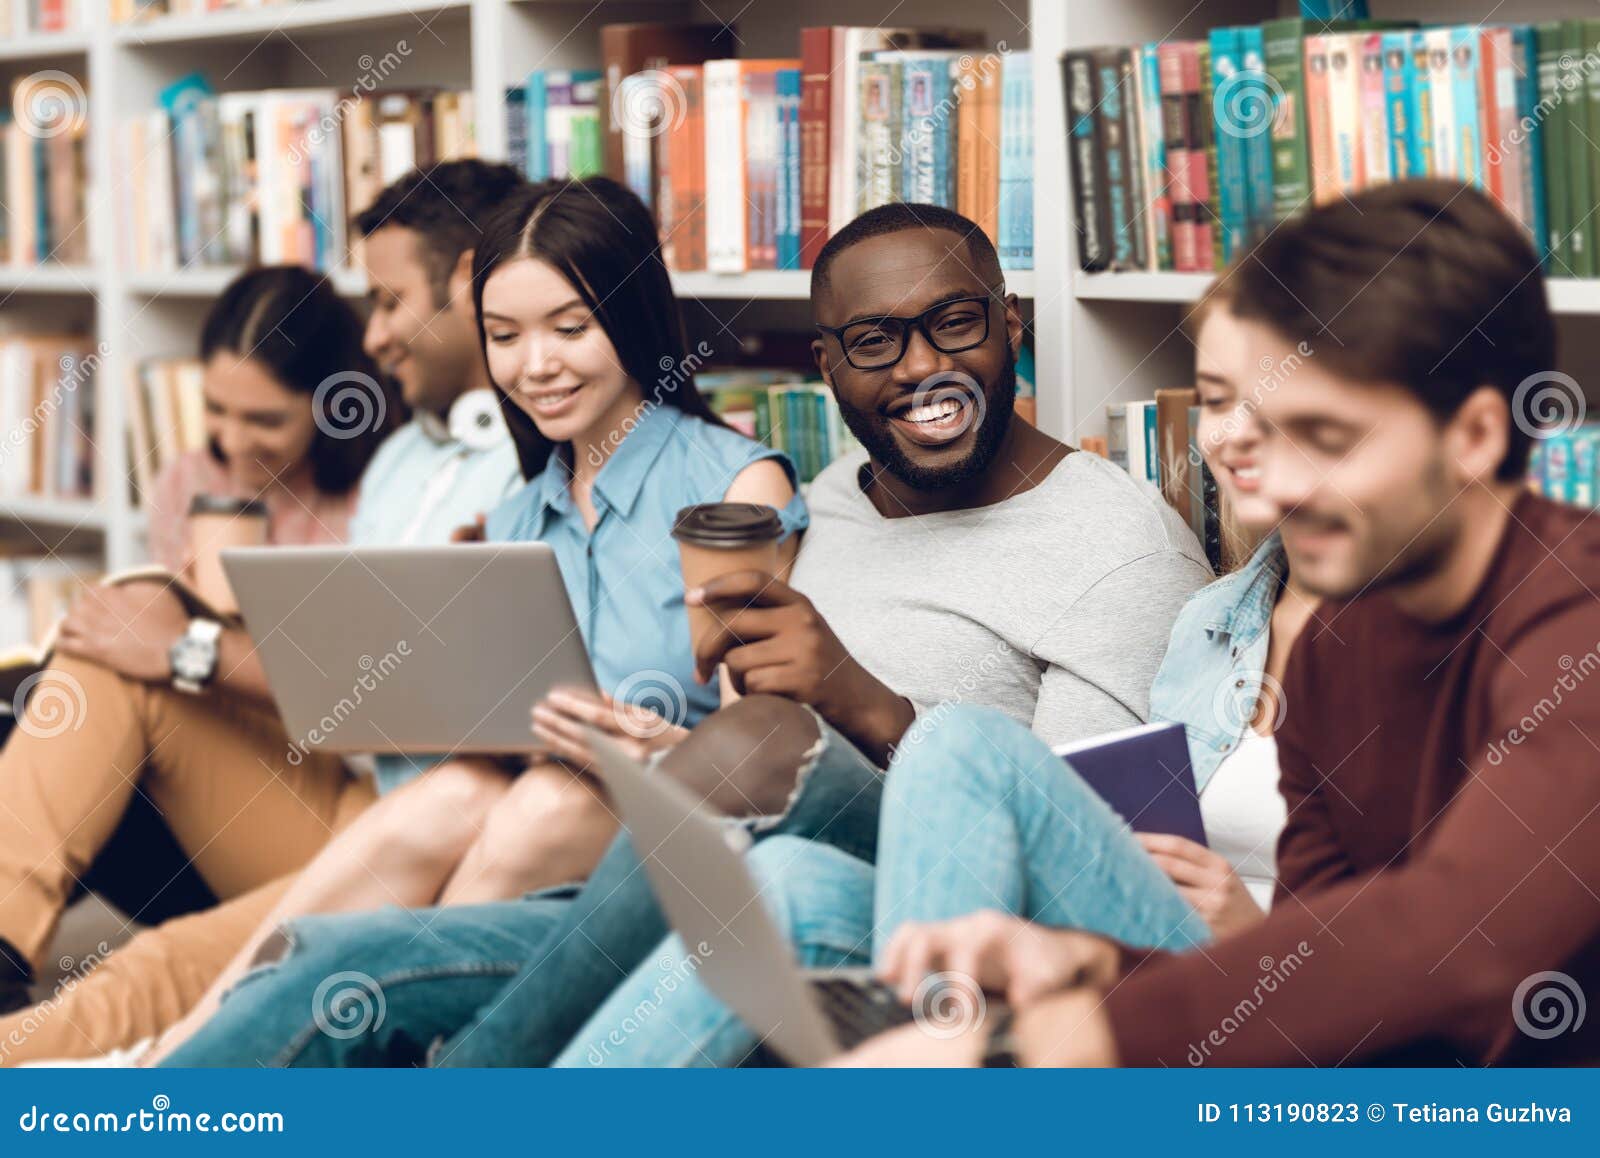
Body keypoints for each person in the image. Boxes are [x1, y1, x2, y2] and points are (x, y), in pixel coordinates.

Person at [162, 201, 1213, 1068]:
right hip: (711, 853)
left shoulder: (1112, 541)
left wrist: (860, 699)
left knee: (757, 802)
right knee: (331, 959)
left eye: (954, 325)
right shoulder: (834, 498)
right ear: (826, 364)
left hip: (912, 910)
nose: (917, 371)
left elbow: (1085, 849)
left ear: (1012, 324)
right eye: (873, 342)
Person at [837, 179, 1600, 1067]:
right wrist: (1098, 964)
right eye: (1240, 415)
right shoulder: (1335, 643)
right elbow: (1311, 985)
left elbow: (1473, 940)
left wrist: (1089, 1030)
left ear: (1471, 436)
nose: (1261, 481)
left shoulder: (1573, 625)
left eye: (1322, 435)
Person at [550, 282, 1321, 1067]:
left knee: (937, 741)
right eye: (1219, 399)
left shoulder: (1404, 646)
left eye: (1285, 406)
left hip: (1274, 1001)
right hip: (1125, 944)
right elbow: (1122, 824)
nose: (1231, 439)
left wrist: (1262, 938)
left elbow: (1417, 949)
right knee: (782, 878)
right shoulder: (1220, 620)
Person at [138, 175, 805, 1065]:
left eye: (570, 327)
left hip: (681, 818)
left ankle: (396, 1057)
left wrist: (644, 747)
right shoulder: (520, 514)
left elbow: (766, 744)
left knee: (538, 804)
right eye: (504, 336)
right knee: (451, 794)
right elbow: (503, 710)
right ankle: (190, 1049)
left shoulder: (734, 485)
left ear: (635, 317)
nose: (536, 365)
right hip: (537, 797)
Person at [0, 159, 528, 1061]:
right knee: (115, 632)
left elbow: (427, 687)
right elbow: (355, 669)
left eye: (391, 301)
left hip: (446, 824)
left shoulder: (530, 463)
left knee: (154, 967)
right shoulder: (406, 459)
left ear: (470, 281)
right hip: (350, 784)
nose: (378, 333)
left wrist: (196, 650)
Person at [140, 265, 401, 573]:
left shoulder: (382, 490)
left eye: (265, 421)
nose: (233, 444)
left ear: (334, 404)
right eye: (215, 408)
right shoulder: (184, 483)